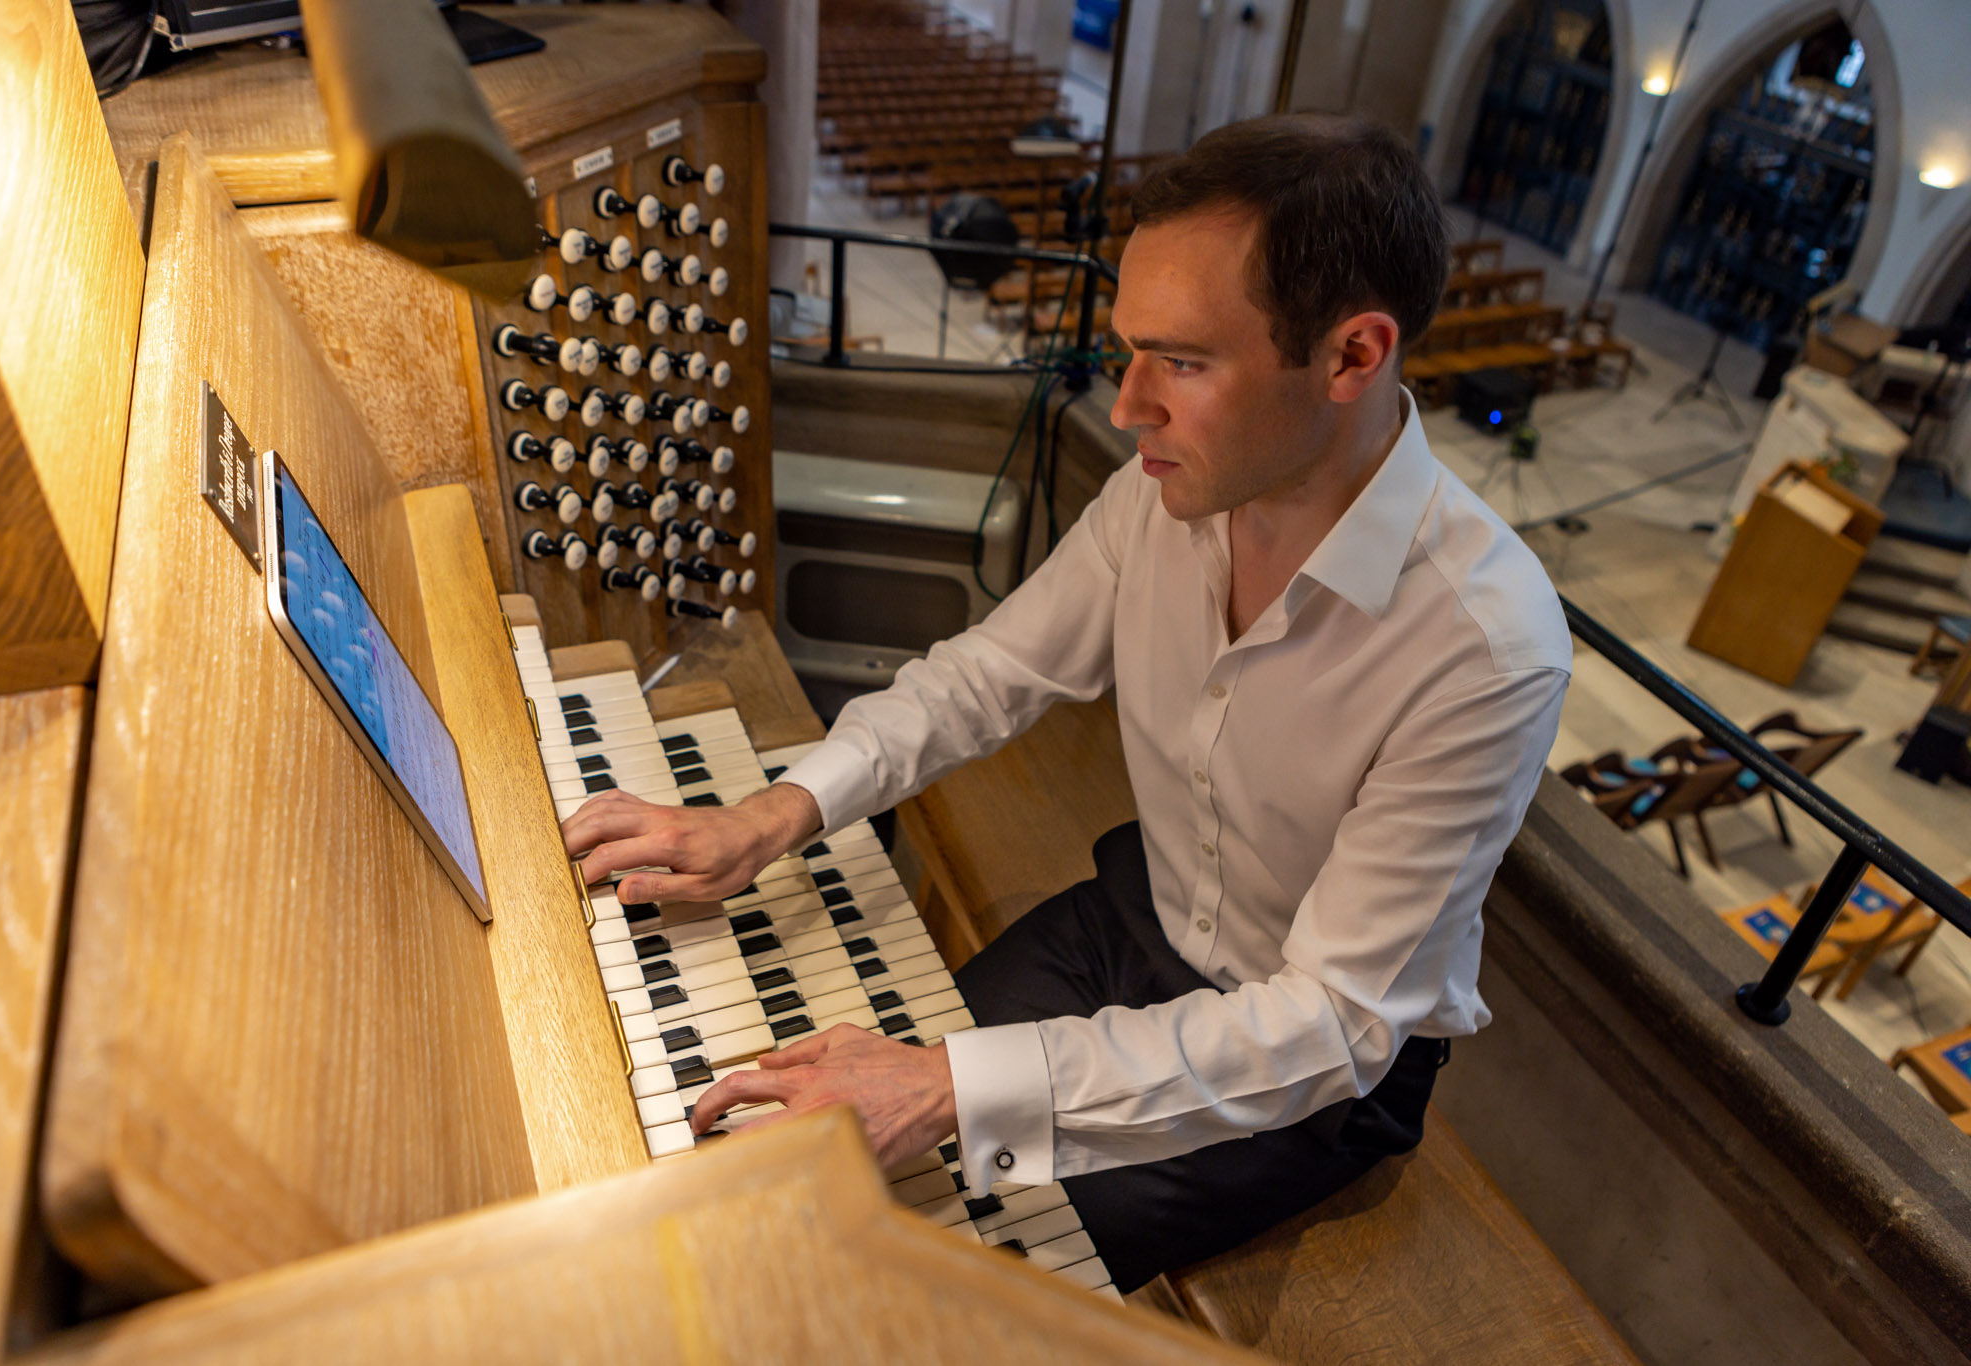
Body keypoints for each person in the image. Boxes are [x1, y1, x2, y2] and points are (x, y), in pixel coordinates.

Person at [563, 112, 1571, 1292]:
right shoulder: (1169, 493)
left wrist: (944, 1084)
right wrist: (770, 817)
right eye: (1127, 347)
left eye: (1182, 363)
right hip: (1124, 921)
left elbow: (1332, 1025)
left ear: (1350, 356)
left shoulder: (1484, 647)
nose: (1127, 403)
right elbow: (985, 675)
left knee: (912, 1273)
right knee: (781, 1139)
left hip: (1307, 1078)